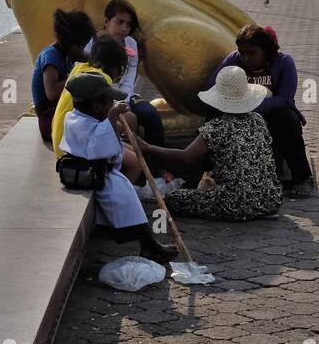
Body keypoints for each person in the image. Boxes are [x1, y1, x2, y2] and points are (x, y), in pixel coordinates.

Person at [135, 66, 283, 221]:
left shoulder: (216, 127)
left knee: (174, 197)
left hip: (234, 204)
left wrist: (148, 147)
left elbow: (186, 156)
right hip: (270, 200)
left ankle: (244, 208)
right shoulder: (258, 120)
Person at [59, 74, 177, 262]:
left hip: (99, 171)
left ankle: (148, 243)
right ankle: (148, 243)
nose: (112, 105)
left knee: (128, 196)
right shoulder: (79, 122)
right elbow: (104, 150)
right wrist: (112, 119)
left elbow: (108, 144)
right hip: (93, 174)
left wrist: (111, 121)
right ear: (96, 106)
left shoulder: (80, 117)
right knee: (125, 197)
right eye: (109, 103)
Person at [207, 23, 313, 197]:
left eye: (252, 53)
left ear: (266, 50)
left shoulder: (284, 62)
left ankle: (302, 176)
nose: (246, 58)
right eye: (243, 52)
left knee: (287, 119)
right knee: (212, 116)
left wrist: (252, 107)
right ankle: (213, 172)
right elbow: (213, 85)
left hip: (271, 113)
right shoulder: (234, 60)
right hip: (236, 112)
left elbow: (285, 99)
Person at [86, 0, 164, 145]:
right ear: (107, 22)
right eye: (119, 22)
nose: (124, 28)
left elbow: (129, 79)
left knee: (150, 114)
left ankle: (156, 164)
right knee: (128, 120)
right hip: (98, 97)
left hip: (125, 95)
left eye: (128, 25)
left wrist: (122, 101)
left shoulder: (131, 44)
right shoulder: (92, 43)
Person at [52, 34, 132, 154]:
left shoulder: (78, 69)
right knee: (131, 122)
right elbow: (107, 118)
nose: (118, 76)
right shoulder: (102, 79)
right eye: (119, 69)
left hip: (62, 143)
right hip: (80, 147)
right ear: (111, 66)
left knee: (127, 145)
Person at [32, 9, 96, 142]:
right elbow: (52, 92)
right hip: (50, 120)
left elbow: (93, 60)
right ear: (71, 44)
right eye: (81, 46)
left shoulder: (70, 51)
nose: (82, 50)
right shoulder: (51, 57)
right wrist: (81, 76)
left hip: (62, 113)